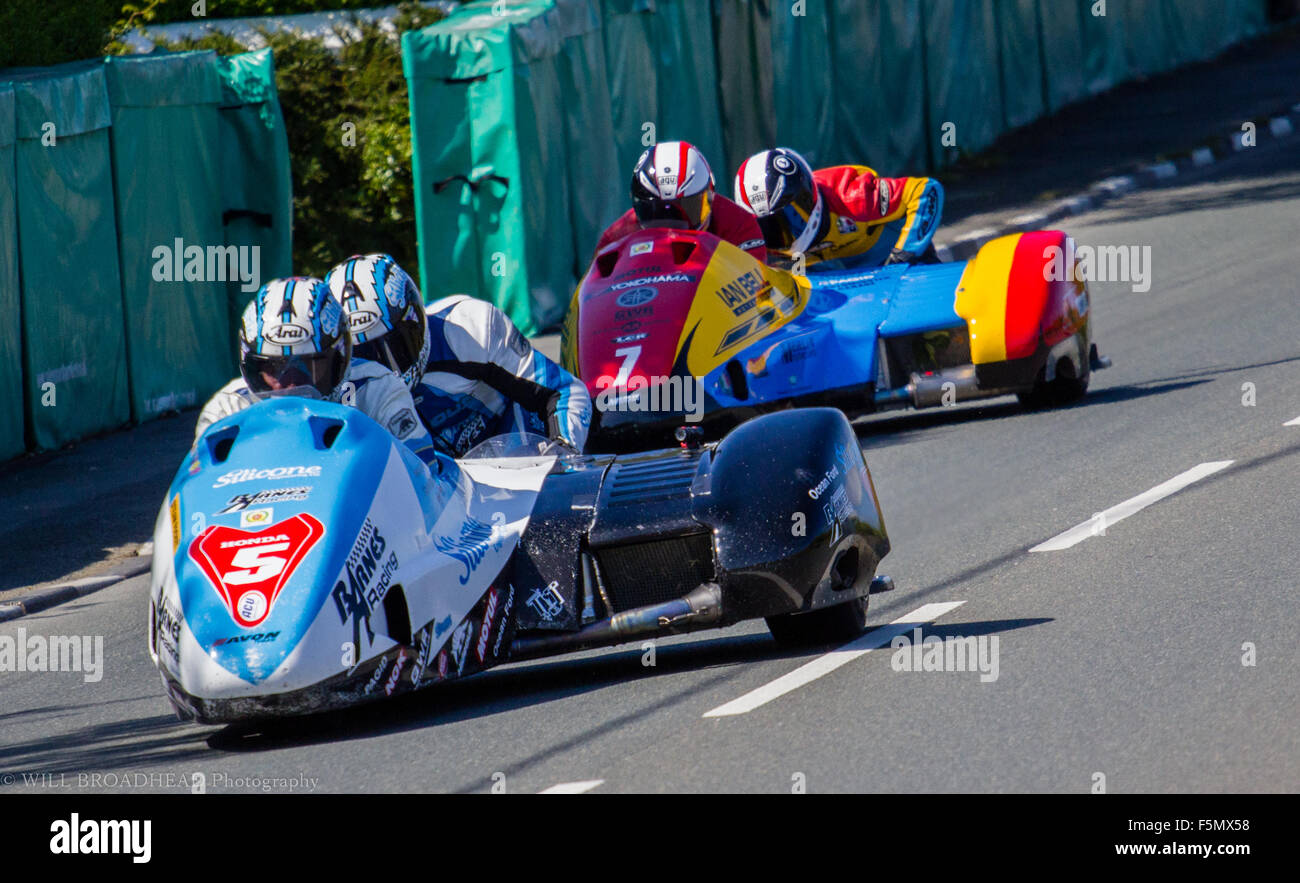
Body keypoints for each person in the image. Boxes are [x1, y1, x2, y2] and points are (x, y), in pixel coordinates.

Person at [325, 254, 591, 458]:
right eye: (363, 354)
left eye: (394, 345)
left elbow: (564, 390)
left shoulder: (471, 326)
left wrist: (563, 453)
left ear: (415, 317)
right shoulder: (335, 385)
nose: (384, 365)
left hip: (519, 468)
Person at [195, 277, 436, 462]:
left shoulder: (376, 387)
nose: (290, 384)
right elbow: (198, 491)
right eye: (273, 367)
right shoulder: (227, 407)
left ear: (340, 358)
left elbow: (423, 476)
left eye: (307, 366)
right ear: (251, 366)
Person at [733, 146, 944, 269]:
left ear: (808, 196)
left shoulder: (854, 196)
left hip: (895, 261)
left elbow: (926, 190)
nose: (779, 232)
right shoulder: (760, 244)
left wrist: (905, 254)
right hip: (836, 277)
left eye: (788, 216)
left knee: (933, 337)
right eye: (766, 226)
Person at [593, 140, 767, 262]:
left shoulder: (738, 224)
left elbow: (757, 283)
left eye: (687, 208)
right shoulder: (618, 235)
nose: (671, 228)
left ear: (709, 198)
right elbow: (593, 289)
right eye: (656, 212)